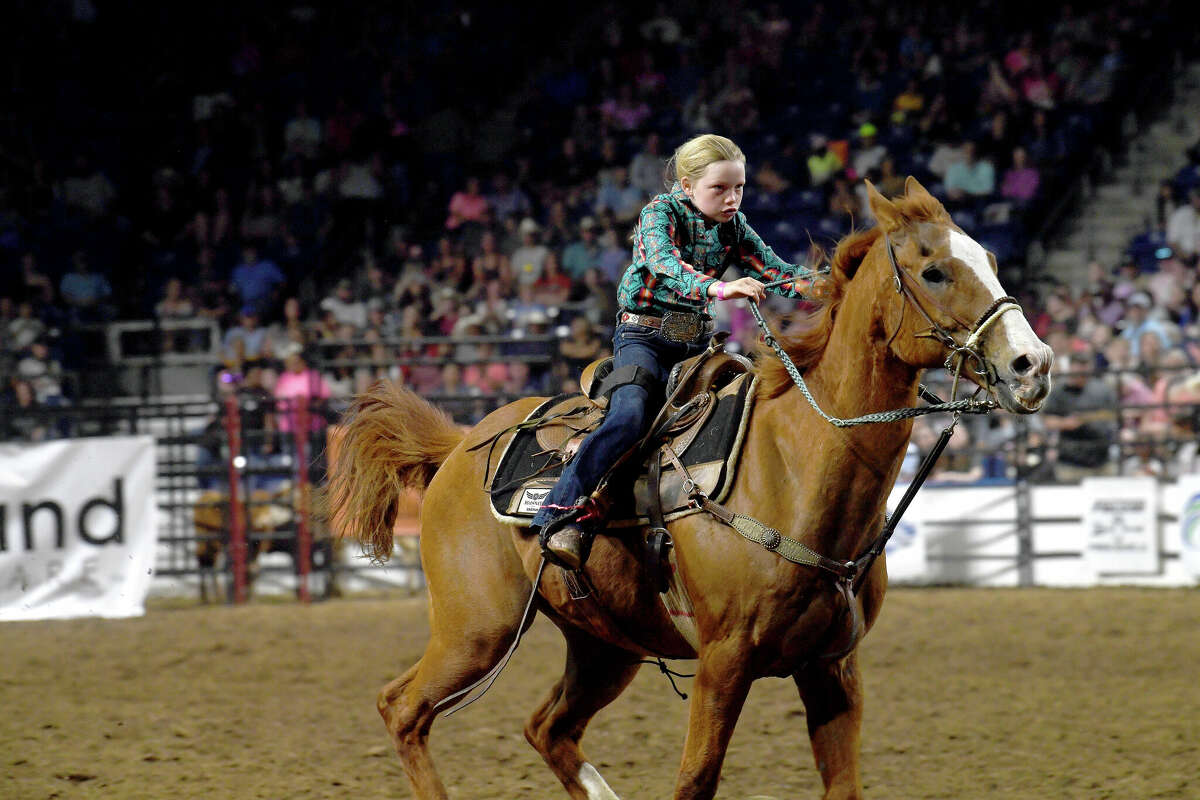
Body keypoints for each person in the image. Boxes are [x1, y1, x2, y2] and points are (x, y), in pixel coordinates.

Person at [531, 133, 817, 569]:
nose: (732, 198)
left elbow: (775, 270)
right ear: (687, 186)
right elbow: (664, 265)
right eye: (719, 188)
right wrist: (720, 288)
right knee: (630, 415)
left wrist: (825, 284)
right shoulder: (658, 213)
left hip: (696, 346)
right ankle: (560, 509)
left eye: (739, 188)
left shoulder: (734, 226)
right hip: (642, 338)